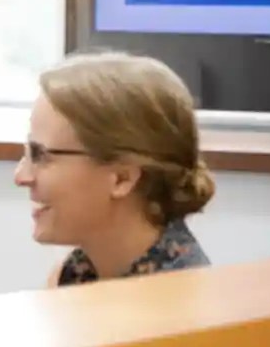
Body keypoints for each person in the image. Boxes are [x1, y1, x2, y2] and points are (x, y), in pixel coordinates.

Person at [13, 51, 214, 287]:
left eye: (40, 155)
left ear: (121, 178)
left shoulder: (175, 310)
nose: (20, 176)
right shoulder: (75, 274)